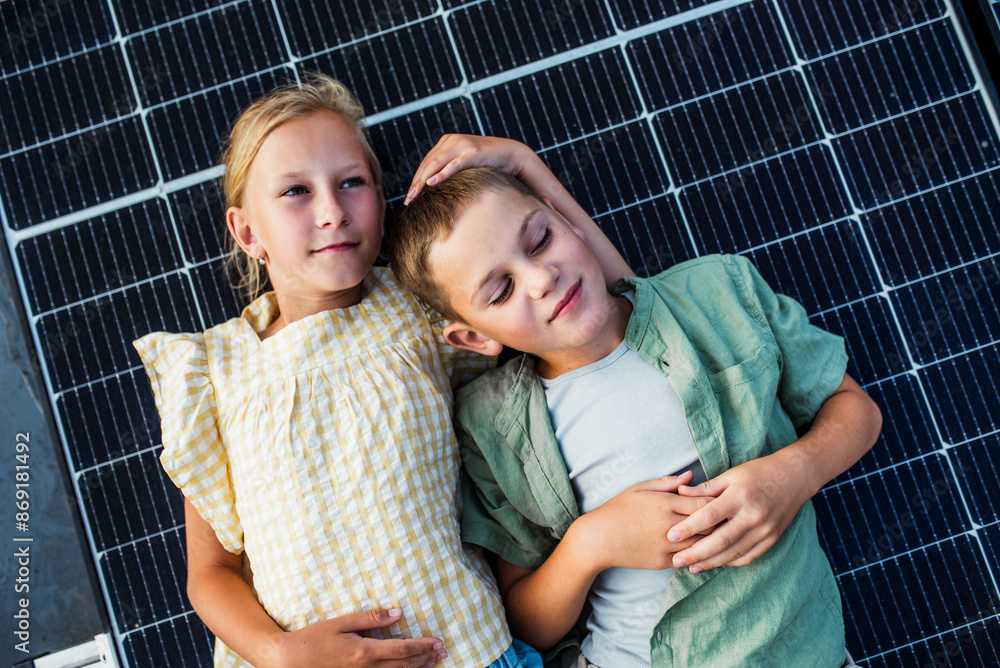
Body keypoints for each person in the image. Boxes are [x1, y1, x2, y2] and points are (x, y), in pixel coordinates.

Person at [132, 75, 631, 668]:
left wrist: (524, 167)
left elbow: (615, 309)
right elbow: (210, 573)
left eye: (351, 183)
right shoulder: (210, 372)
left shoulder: (424, 308)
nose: (331, 212)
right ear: (247, 232)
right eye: (295, 191)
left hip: (475, 652)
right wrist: (279, 653)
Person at [387, 168, 883, 668]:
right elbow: (526, 624)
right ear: (475, 338)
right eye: (500, 292)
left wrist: (791, 476)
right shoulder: (494, 425)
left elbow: (856, 411)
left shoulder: (714, 294)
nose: (541, 279)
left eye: (540, 240)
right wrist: (590, 544)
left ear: (565, 220)